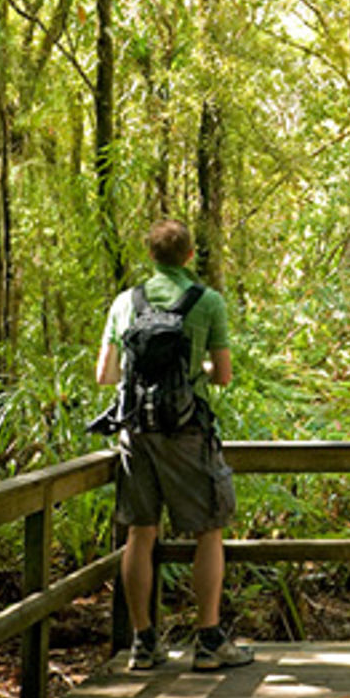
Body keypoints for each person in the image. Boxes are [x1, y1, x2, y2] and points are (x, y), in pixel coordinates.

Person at [95, 219, 255, 672]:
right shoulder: (207, 302)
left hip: (136, 432)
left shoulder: (127, 302)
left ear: (151, 257)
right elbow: (222, 376)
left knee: (140, 532)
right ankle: (207, 642)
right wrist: (195, 368)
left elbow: (106, 374)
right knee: (209, 528)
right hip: (186, 431)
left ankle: (144, 643)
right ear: (190, 257)